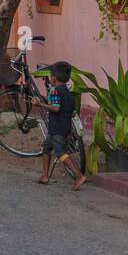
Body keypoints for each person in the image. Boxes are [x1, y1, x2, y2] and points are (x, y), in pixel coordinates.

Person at [37, 61, 86, 190]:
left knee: (61, 153)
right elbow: (72, 110)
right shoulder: (68, 93)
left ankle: (79, 176)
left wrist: (40, 104)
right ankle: (45, 176)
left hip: (57, 128)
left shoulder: (55, 92)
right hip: (63, 127)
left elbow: (55, 108)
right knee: (46, 148)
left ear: (53, 78)